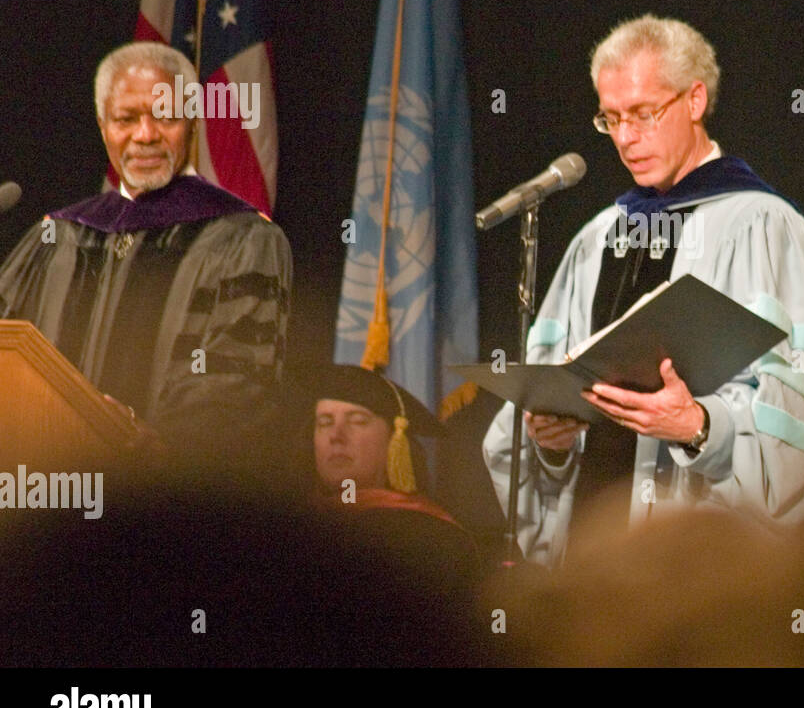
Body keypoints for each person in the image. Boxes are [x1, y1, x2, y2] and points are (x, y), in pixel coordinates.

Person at [482, 14, 804, 567]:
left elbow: (790, 416)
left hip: (694, 573)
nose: (625, 138)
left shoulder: (761, 225)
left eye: (643, 114)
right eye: (611, 118)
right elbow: (539, 411)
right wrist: (551, 444)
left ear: (695, 100)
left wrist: (697, 427)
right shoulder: (597, 239)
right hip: (592, 564)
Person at [0, 41, 291, 461]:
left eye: (166, 117)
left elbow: (240, 376)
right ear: (103, 125)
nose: (145, 135)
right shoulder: (58, 235)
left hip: (166, 490)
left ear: (192, 122)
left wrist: (154, 440)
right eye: (126, 119)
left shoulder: (242, 239)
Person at [302, 364, 480, 612]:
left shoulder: (432, 540)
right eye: (324, 422)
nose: (336, 436)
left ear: (394, 440)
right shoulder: (287, 529)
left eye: (358, 421)